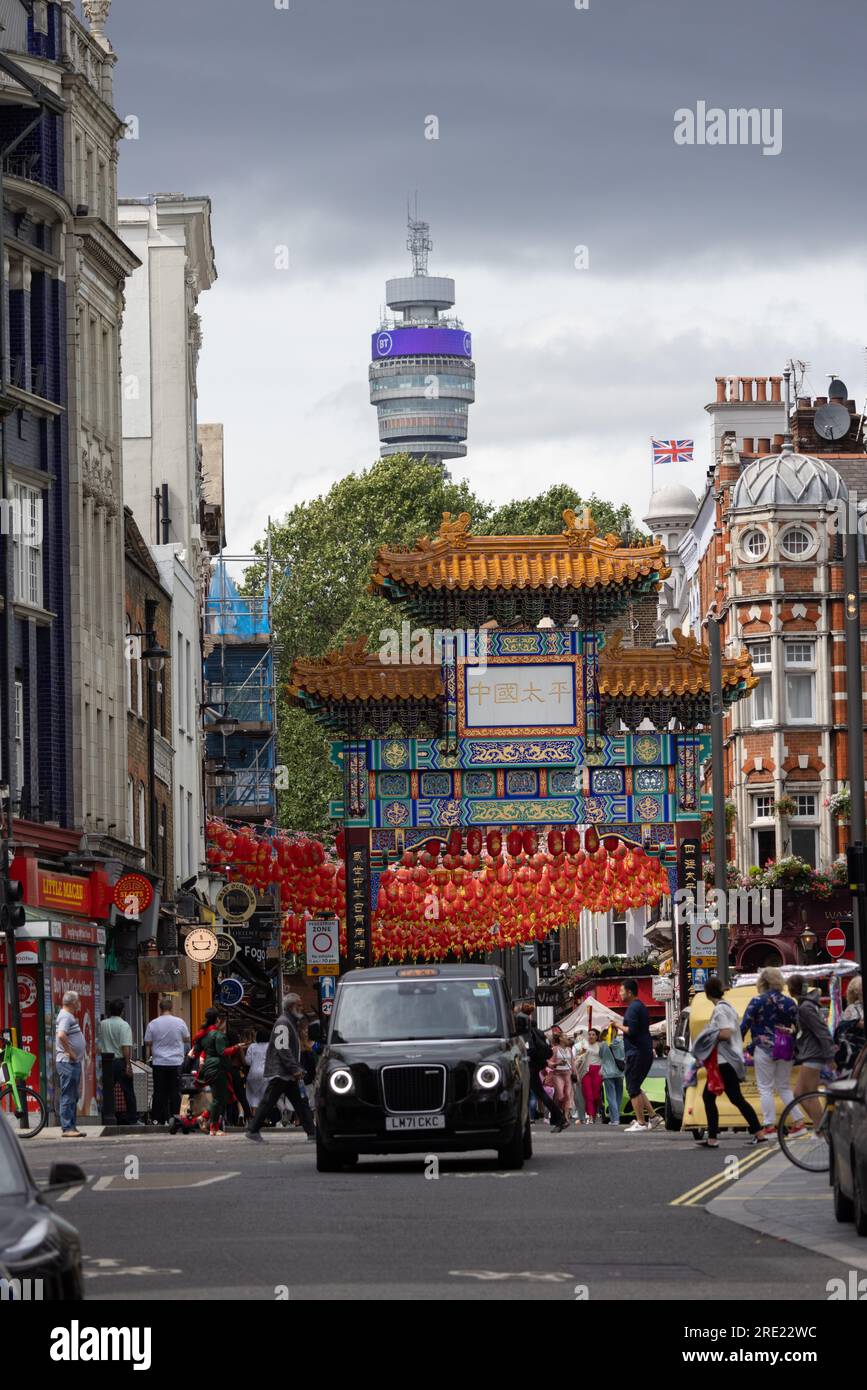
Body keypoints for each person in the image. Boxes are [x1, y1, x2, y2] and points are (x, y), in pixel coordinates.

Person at [692, 977, 761, 1147]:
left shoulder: (720, 1011)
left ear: (707, 994)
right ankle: (758, 1133)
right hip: (729, 1059)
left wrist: (708, 1036)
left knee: (715, 1097)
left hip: (725, 1060)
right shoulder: (727, 1007)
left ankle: (714, 1138)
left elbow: (725, 1033)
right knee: (732, 1098)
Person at [740, 965, 801, 1140]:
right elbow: (800, 1027)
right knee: (783, 1086)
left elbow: (744, 1026)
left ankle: (770, 1126)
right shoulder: (789, 1002)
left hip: (764, 1047)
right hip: (785, 1047)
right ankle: (799, 1121)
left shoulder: (757, 1001)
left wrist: (737, 1045)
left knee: (765, 1088)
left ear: (762, 982)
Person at [247, 994, 316, 1141]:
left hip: (287, 1073)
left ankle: (312, 1132)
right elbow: (282, 1048)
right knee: (269, 1101)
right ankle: (253, 1129)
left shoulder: (288, 1023)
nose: (302, 1008)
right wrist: (294, 1068)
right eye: (299, 1005)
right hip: (281, 1073)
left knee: (300, 1102)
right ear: (291, 1007)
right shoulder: (283, 1024)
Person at [788, 973, 835, 1130]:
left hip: (813, 1055)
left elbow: (821, 1030)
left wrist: (829, 1057)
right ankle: (820, 1126)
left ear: (791, 990)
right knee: (799, 1094)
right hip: (811, 1054)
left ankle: (823, 1129)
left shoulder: (805, 1008)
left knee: (809, 1094)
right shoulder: (807, 1005)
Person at [519, 1003, 569, 1132]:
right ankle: (558, 1119)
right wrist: (544, 1064)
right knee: (539, 1093)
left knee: (529, 1094)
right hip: (534, 1066)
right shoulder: (538, 1031)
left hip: (527, 1067)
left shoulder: (525, 1031)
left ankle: (559, 1119)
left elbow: (529, 1050)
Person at [619, 978, 661, 1132]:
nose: (619, 994)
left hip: (636, 1052)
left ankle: (641, 1122)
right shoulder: (640, 1006)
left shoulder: (633, 1008)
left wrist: (616, 1024)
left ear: (629, 992)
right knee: (636, 1086)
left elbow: (632, 1030)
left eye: (621, 990)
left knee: (632, 1087)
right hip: (643, 1051)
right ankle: (653, 1117)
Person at [144, 996, 191, 1125]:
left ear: (160, 1009)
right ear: (171, 1008)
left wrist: (148, 1059)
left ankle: (157, 1118)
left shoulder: (153, 1023)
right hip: (176, 1062)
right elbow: (187, 1039)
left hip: (159, 1062)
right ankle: (176, 1117)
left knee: (159, 1092)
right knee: (175, 1092)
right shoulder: (180, 1022)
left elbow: (148, 1042)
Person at [97, 1000, 141, 1125]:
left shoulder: (102, 1024)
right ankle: (132, 1118)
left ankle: (106, 1116)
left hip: (105, 1062)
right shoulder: (124, 1025)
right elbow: (126, 1047)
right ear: (122, 1012)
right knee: (128, 1091)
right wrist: (128, 1065)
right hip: (119, 1061)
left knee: (107, 1091)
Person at [55, 990, 85, 1137]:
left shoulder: (67, 1016)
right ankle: (67, 1128)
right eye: (78, 1000)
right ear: (74, 1002)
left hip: (72, 1063)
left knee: (73, 1095)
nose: (79, 1003)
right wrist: (71, 1052)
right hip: (68, 1062)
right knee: (68, 1095)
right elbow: (61, 1035)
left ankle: (71, 1126)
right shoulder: (66, 1017)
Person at [546, 1025, 576, 1121]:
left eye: (567, 1036)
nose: (567, 1038)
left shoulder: (569, 1050)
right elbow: (548, 1062)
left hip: (568, 1074)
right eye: (565, 1036)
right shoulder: (554, 1049)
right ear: (560, 1039)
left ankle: (566, 1116)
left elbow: (573, 1063)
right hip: (557, 1074)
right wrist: (556, 1064)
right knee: (560, 1096)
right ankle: (557, 1112)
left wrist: (575, 1074)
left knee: (567, 1095)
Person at [599, 1025, 625, 1126]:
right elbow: (624, 1055)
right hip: (620, 1072)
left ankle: (615, 1119)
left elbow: (601, 1056)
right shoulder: (622, 1043)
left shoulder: (603, 1044)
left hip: (608, 1073)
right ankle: (616, 1117)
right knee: (618, 1096)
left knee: (611, 1097)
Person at [577, 1028, 603, 1123]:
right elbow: (578, 1057)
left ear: (596, 1036)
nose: (591, 1036)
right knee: (589, 1095)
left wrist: (602, 1070)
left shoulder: (600, 1046)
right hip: (586, 1071)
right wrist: (582, 1053)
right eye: (589, 1034)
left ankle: (594, 1113)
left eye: (593, 1034)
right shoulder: (584, 1045)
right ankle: (590, 1116)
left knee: (596, 1096)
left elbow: (604, 1059)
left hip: (597, 1071)